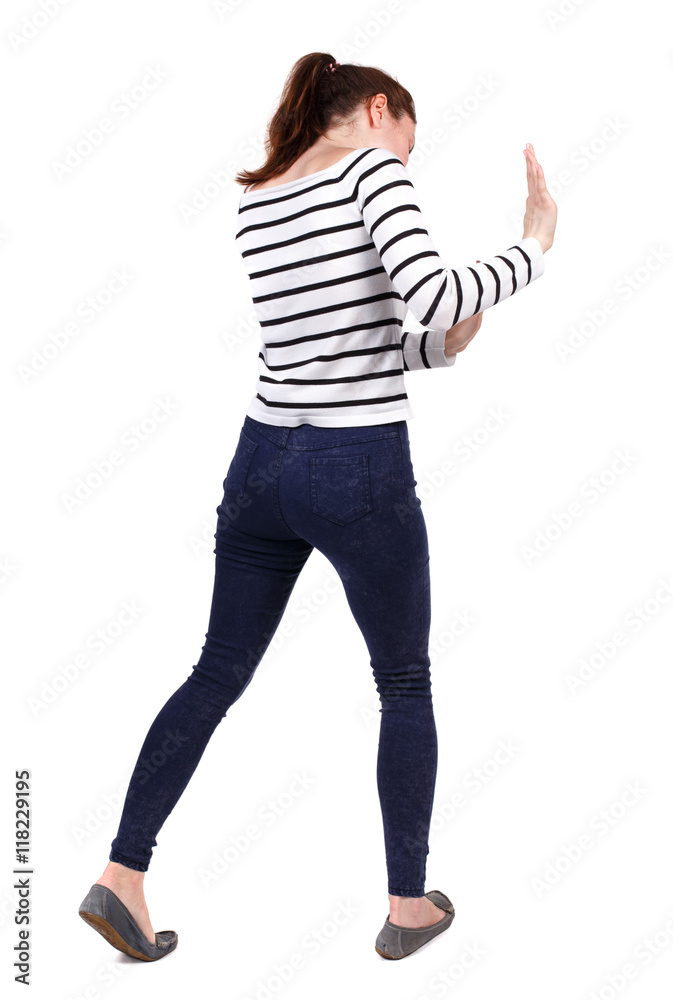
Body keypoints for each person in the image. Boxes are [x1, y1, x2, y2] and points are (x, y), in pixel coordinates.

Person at [78, 51, 557, 962]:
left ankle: (121, 876)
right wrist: (531, 245)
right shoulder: (373, 171)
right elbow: (434, 289)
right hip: (355, 469)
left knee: (215, 672)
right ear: (377, 110)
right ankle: (409, 906)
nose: (405, 168)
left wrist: (445, 344)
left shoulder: (262, 197)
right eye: (407, 145)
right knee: (404, 682)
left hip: (262, 463)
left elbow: (354, 343)